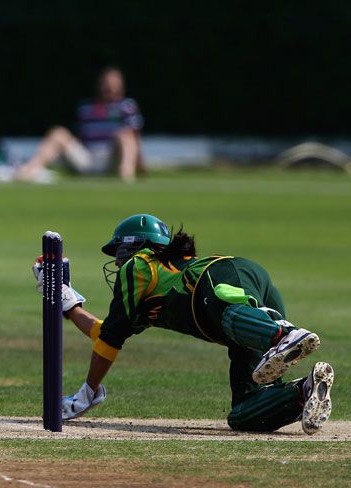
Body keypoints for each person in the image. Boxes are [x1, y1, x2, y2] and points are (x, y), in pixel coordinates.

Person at [34, 214, 334, 434]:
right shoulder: (147, 295)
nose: (116, 265)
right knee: (245, 411)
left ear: (134, 248)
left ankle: (284, 335)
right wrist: (69, 302)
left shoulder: (140, 265)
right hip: (248, 300)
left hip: (221, 278)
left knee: (227, 313)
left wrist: (88, 391)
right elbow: (106, 334)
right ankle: (304, 392)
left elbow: (109, 340)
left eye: (118, 255)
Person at [17, 67, 145, 183]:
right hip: (87, 157)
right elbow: (78, 135)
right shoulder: (85, 108)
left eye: (113, 83)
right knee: (58, 132)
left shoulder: (127, 106)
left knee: (125, 135)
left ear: (120, 85)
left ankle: (127, 177)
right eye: (106, 83)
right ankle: (29, 171)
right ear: (100, 84)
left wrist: (140, 164)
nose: (109, 87)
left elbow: (134, 138)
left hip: (111, 158)